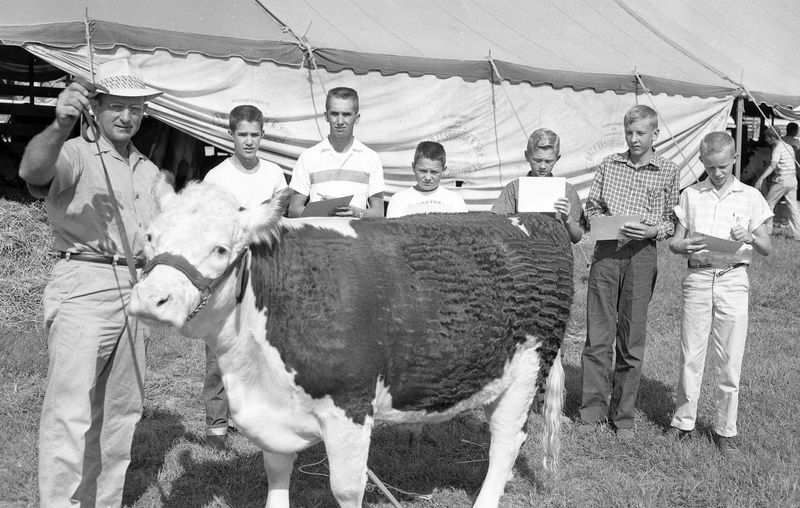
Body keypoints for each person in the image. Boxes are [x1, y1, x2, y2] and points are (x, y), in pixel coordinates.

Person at [18, 59, 170, 506]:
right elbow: (33, 171)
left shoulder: (147, 169)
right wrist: (59, 125)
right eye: (118, 107)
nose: (128, 117)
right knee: (70, 412)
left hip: (137, 287)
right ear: (95, 107)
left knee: (122, 414)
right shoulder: (75, 152)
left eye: (136, 108)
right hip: (83, 281)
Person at [665, 132, 772, 456]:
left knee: (730, 359)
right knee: (690, 355)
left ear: (734, 159)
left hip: (733, 279)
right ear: (703, 163)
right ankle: (684, 421)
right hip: (698, 277)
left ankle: (725, 429)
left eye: (723, 166)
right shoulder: (691, 195)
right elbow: (674, 242)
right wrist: (682, 245)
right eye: (710, 168)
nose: (717, 173)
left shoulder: (751, 196)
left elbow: (767, 247)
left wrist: (751, 236)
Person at [579, 105, 679, 439]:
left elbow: (672, 220)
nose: (634, 139)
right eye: (628, 133)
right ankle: (592, 411)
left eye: (640, 133)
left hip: (641, 256)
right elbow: (592, 206)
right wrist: (600, 220)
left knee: (631, 338)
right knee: (598, 335)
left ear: (655, 134)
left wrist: (654, 232)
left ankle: (622, 417)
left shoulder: (667, 171)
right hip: (607, 252)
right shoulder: (610, 164)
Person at [201, 104, 288, 449]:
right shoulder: (216, 177)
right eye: (243, 135)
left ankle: (258, 417)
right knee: (220, 347)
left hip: (266, 267)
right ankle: (216, 427)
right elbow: (206, 225)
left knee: (265, 346)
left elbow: (280, 217)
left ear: (262, 135)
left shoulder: (274, 173)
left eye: (255, 135)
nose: (249, 141)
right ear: (231, 135)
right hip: (228, 270)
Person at [287, 87, 385, 218]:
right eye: (334, 114)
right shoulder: (309, 156)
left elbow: (379, 213)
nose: (340, 121)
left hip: (356, 235)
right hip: (318, 235)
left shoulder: (371, 158)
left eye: (346, 114)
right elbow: (293, 210)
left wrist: (356, 212)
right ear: (326, 116)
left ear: (357, 118)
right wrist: (323, 211)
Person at [491, 128, 584, 243]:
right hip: (523, 254)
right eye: (537, 160)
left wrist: (567, 219)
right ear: (527, 156)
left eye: (548, 161)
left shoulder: (567, 191)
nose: (542, 166)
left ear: (557, 159)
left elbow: (576, 238)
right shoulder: (514, 189)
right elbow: (496, 226)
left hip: (558, 255)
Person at [386, 141, 467, 218]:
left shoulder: (455, 200)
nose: (428, 178)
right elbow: (394, 231)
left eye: (434, 172)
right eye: (422, 171)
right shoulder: (399, 200)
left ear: (444, 170)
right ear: (413, 167)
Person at [754, 129, 800, 240]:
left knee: (768, 204)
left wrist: (761, 178)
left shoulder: (777, 149)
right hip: (793, 180)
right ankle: (798, 235)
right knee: (793, 207)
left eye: (767, 138)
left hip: (782, 180)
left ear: (772, 137)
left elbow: (773, 166)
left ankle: (767, 232)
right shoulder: (788, 146)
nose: (765, 140)